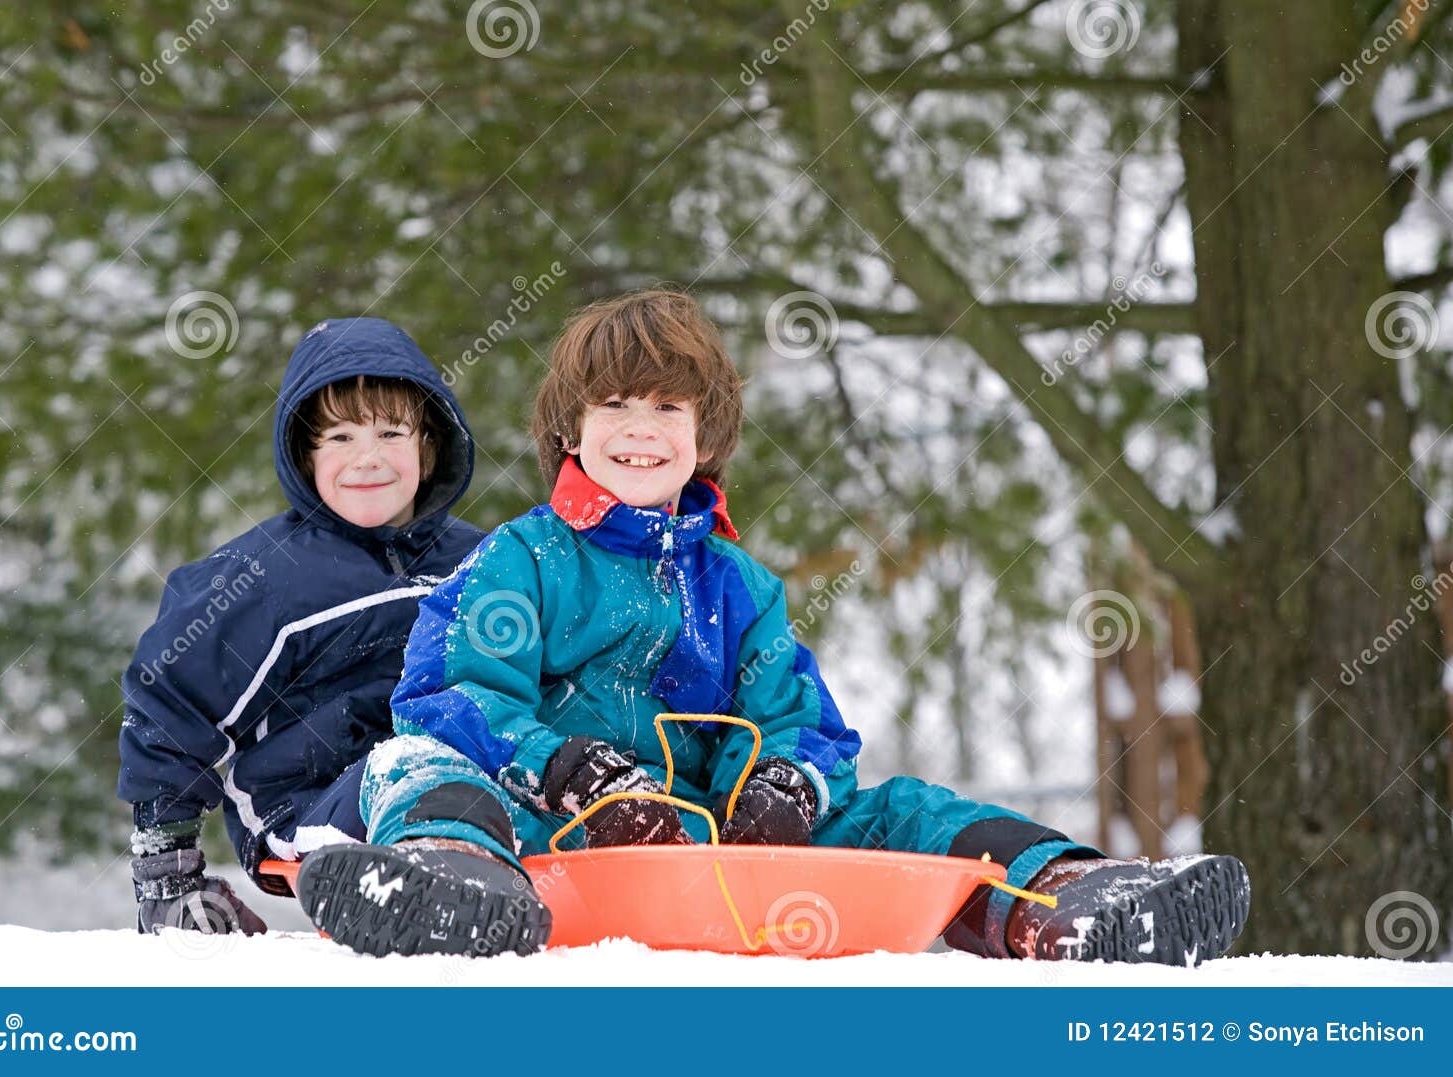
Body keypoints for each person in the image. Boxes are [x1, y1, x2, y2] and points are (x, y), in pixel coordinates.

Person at [296, 291, 1251, 964]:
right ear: (569, 430)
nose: (641, 428)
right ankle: (454, 887)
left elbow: (802, 718)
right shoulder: (523, 560)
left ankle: (1071, 899)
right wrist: (563, 766)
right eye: (615, 405)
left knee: (901, 807)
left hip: (709, 841)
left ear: (705, 434)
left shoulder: (740, 585)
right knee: (407, 762)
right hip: (553, 832)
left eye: (667, 406)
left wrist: (787, 776)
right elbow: (454, 693)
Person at [118, 317, 483, 935]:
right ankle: (402, 893)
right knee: (412, 767)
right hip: (309, 803)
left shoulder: (480, 564)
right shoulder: (267, 578)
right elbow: (173, 701)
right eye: (339, 438)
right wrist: (168, 874)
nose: (366, 458)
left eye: (391, 432)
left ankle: (507, 888)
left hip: (465, 786)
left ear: (428, 446)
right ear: (305, 456)